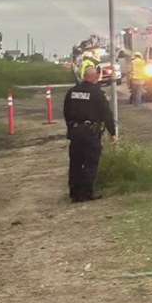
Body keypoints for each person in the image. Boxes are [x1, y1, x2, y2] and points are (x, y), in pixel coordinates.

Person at [63, 66, 118, 203]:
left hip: (75, 131)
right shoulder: (97, 93)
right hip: (90, 133)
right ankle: (86, 193)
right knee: (90, 162)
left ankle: (74, 193)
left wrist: (71, 127)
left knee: (75, 163)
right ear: (95, 77)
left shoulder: (72, 91)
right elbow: (106, 114)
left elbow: (66, 111)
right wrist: (112, 132)